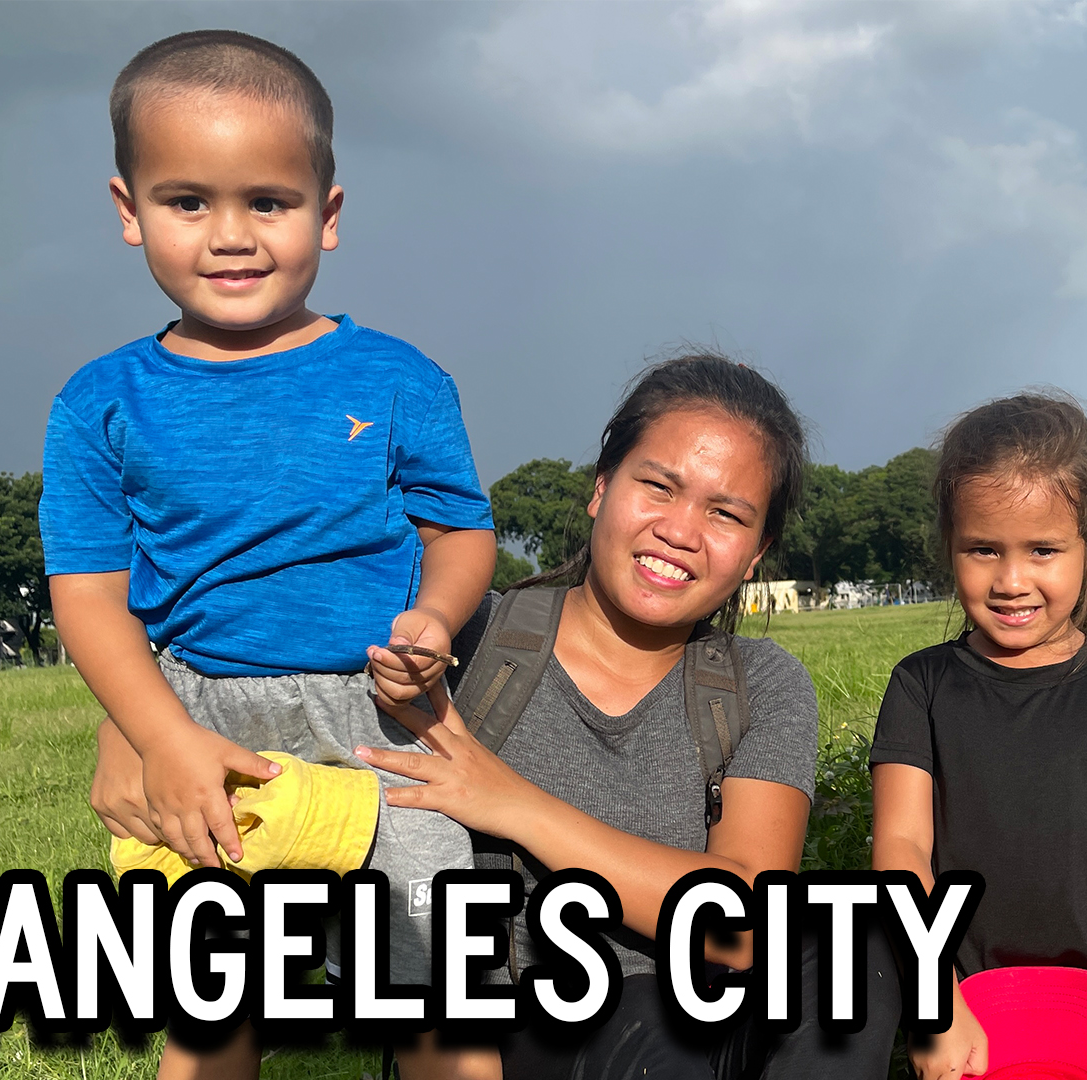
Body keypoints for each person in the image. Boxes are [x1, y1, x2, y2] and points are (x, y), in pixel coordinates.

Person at [43, 30, 497, 1080]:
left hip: (383, 719)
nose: (232, 235)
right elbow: (89, 596)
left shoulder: (396, 377)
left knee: (438, 989)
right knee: (209, 1011)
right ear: (129, 211)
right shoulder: (99, 402)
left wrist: (435, 617)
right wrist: (158, 737)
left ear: (327, 216)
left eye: (270, 202)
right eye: (188, 200)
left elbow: (458, 532)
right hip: (199, 714)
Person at [362, 354, 894, 1079]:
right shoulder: (466, 639)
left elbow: (740, 927)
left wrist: (513, 804)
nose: (681, 531)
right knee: (644, 1017)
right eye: (659, 487)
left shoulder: (762, 683)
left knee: (857, 946)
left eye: (725, 514)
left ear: (755, 553)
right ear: (601, 487)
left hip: (699, 1023)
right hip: (515, 1034)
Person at [869, 394, 1087, 1080]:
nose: (1011, 580)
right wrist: (935, 1000)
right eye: (984, 549)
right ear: (950, 547)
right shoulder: (921, 687)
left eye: (1043, 550)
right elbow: (901, 849)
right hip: (968, 1019)